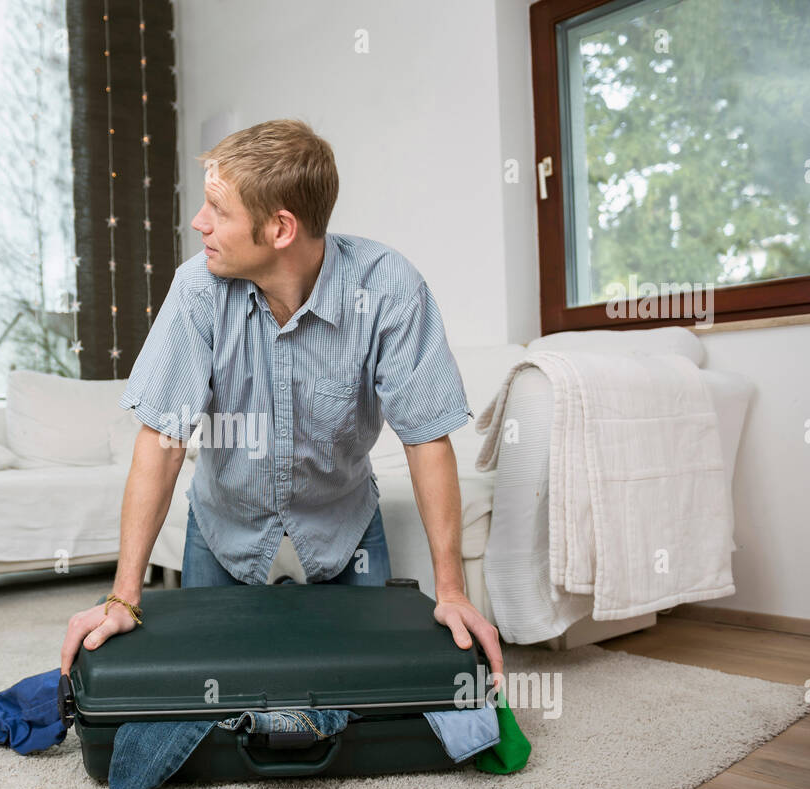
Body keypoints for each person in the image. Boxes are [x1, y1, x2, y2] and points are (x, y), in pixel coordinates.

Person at [61, 120, 503, 688]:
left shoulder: (388, 287)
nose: (199, 222)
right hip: (224, 526)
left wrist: (450, 591)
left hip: (345, 529)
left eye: (218, 209)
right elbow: (162, 442)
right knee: (205, 696)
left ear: (280, 228)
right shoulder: (197, 290)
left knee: (364, 693)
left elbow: (425, 438)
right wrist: (124, 596)